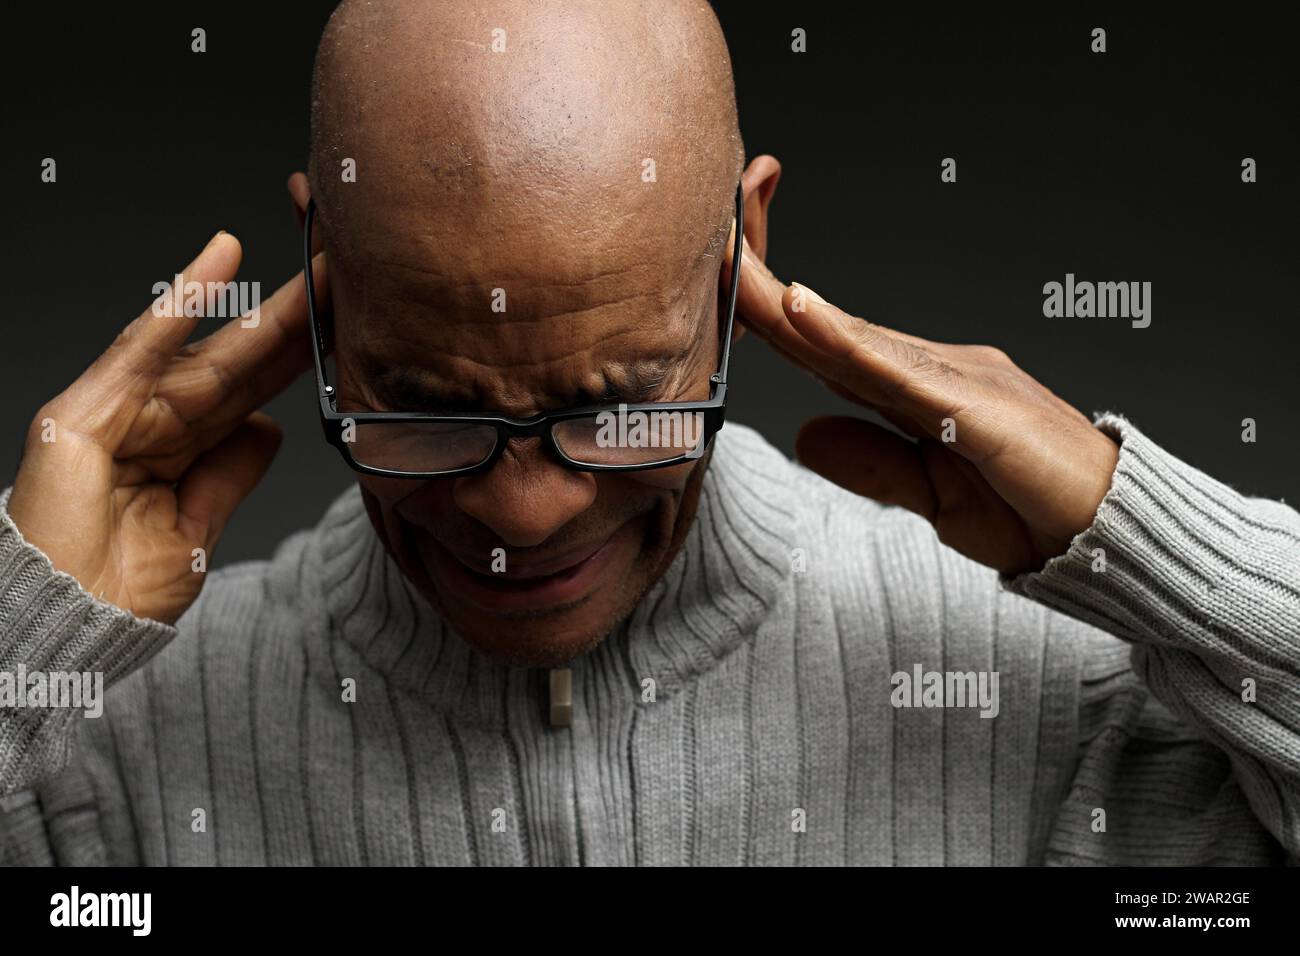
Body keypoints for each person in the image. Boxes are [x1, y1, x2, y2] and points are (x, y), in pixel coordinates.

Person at [1, 0, 1295, 866]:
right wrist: (19, 657)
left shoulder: (1046, 695)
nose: (526, 518)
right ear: (320, 268)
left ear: (747, 246)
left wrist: (1159, 548)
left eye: (618, 403)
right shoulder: (110, 755)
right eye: (435, 404)